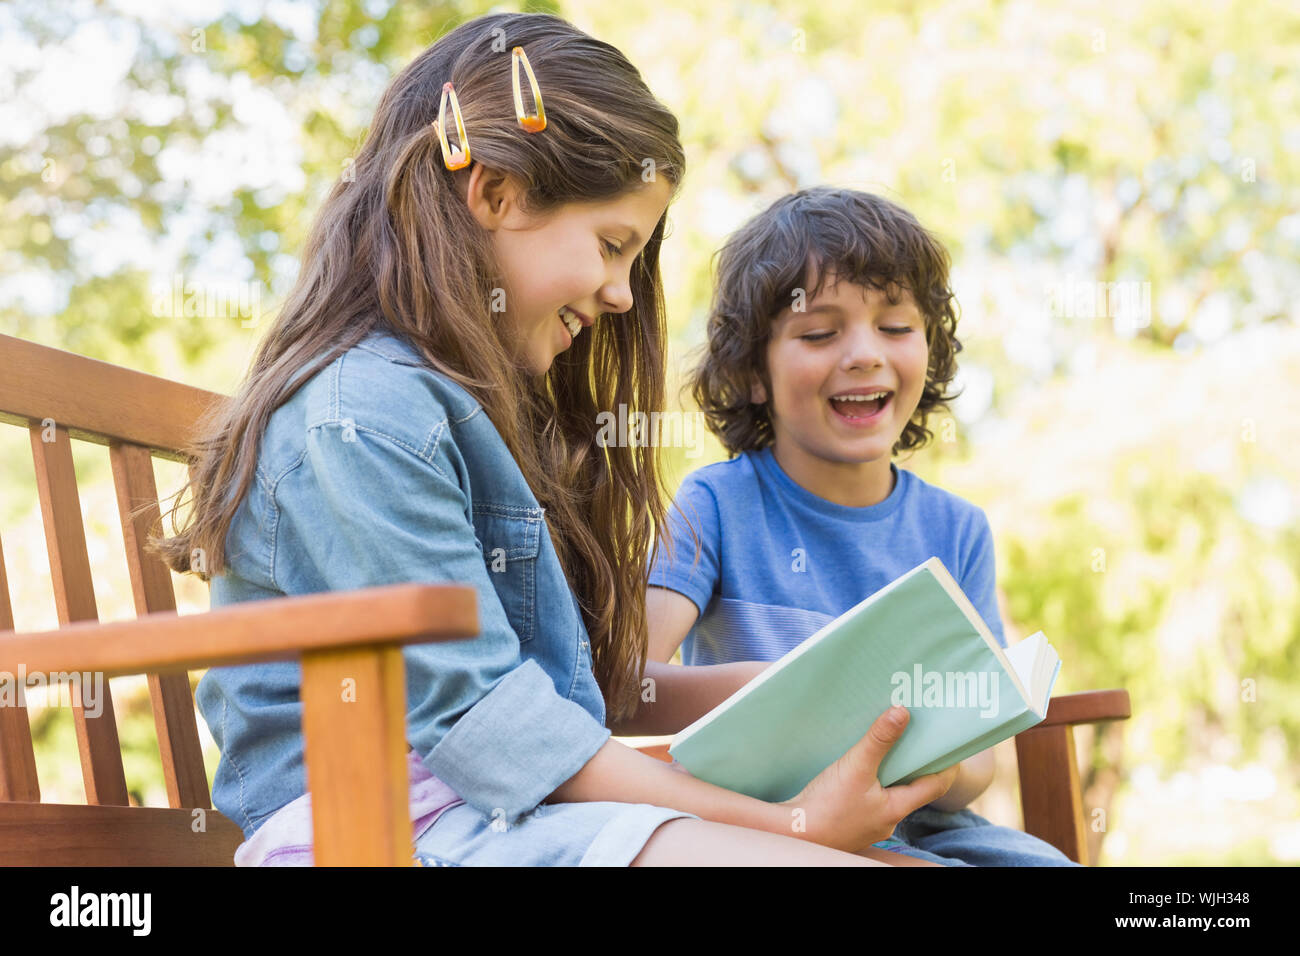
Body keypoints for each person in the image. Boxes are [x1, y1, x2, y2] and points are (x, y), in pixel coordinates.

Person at [153, 13, 956, 867]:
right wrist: (786, 825)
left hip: (508, 815)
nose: (620, 293)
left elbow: (572, 702)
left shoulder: (473, 413)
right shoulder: (361, 415)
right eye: (613, 246)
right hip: (383, 831)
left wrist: (807, 693)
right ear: (495, 193)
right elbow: (496, 731)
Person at [643, 187, 1080, 866]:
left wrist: (930, 759)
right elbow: (625, 684)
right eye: (819, 332)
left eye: (896, 327)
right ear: (753, 373)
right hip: (765, 823)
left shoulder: (957, 529)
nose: (864, 354)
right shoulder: (715, 504)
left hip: (924, 820)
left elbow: (981, 764)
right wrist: (788, 690)